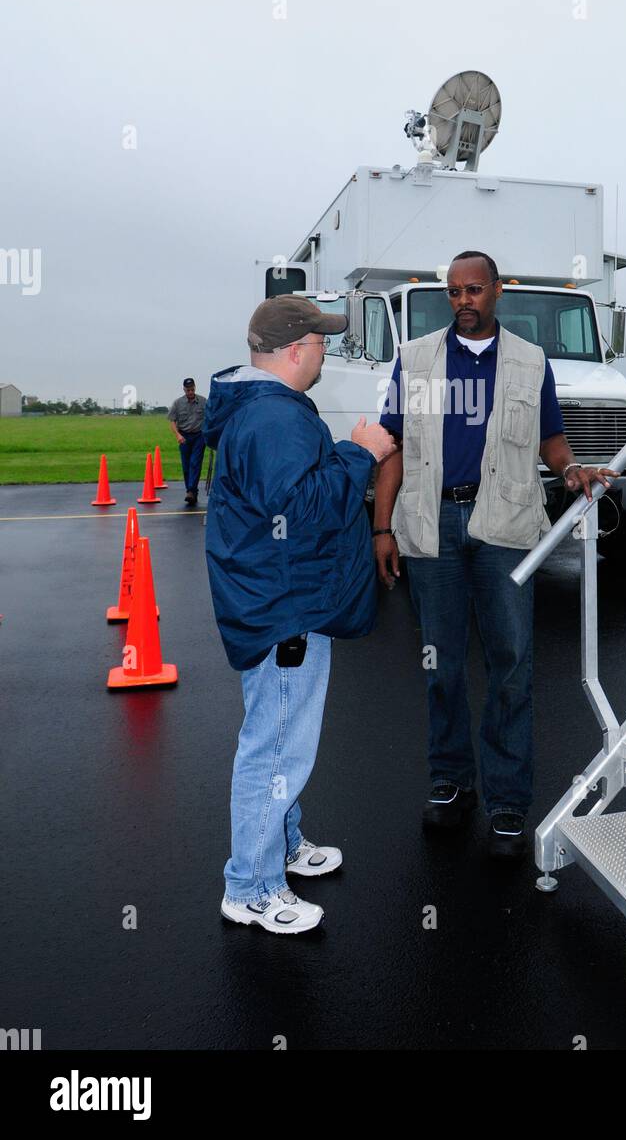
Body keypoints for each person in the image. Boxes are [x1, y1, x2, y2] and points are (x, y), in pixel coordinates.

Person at [374, 251, 618, 858]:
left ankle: (508, 804)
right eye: (454, 291)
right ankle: (451, 785)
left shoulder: (530, 362)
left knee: (512, 666)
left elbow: (550, 437)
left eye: (474, 290)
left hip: (503, 523)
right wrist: (383, 528)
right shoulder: (417, 359)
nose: (463, 301)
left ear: (498, 291)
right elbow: (395, 445)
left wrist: (569, 470)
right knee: (442, 666)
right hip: (432, 526)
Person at [204, 295, 395, 934]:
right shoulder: (273, 418)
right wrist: (360, 451)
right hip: (282, 608)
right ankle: (252, 887)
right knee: (277, 747)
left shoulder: (266, 411)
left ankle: (281, 848)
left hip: (277, 598)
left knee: (281, 739)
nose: (326, 351)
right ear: (294, 350)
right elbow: (303, 507)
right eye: (321, 341)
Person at [168, 377, 208, 506]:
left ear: (195, 388)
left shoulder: (203, 401)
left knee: (195, 463)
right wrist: (177, 435)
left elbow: (210, 418)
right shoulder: (178, 403)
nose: (190, 392)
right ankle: (191, 491)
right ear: (184, 389)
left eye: (192, 389)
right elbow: (172, 421)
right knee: (186, 466)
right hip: (184, 437)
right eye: (188, 390)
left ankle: (191, 491)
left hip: (199, 436)